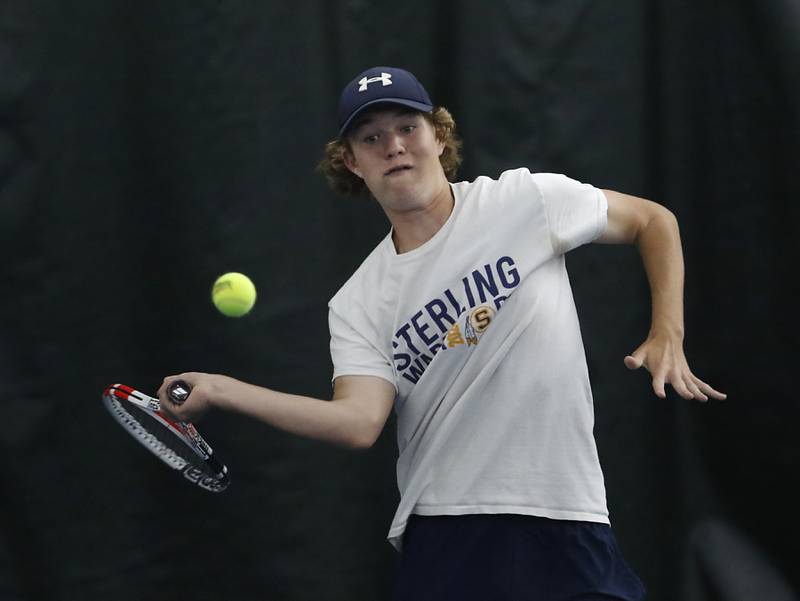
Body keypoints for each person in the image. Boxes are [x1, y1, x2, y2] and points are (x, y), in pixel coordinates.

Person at [159, 66, 726, 600]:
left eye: (408, 127)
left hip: (565, 512)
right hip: (449, 529)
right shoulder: (358, 302)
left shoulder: (524, 201)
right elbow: (358, 423)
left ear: (438, 136)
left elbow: (653, 220)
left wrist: (667, 331)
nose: (395, 146)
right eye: (372, 138)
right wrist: (223, 390)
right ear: (352, 163)